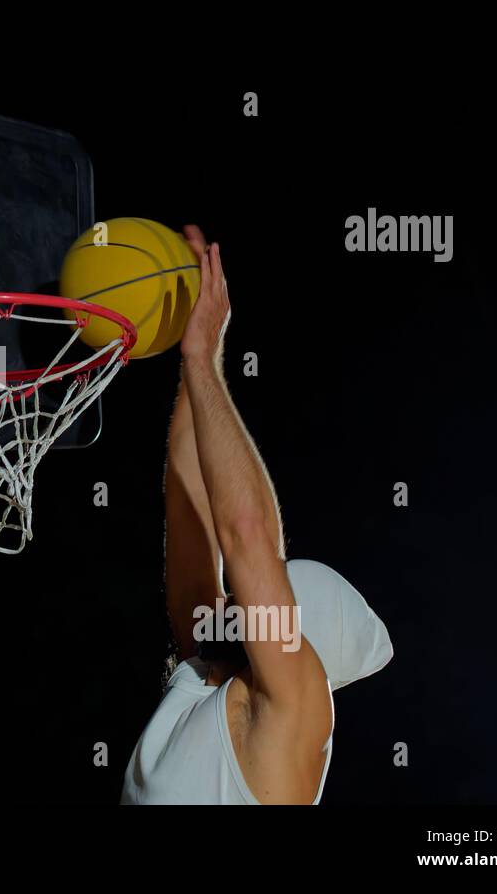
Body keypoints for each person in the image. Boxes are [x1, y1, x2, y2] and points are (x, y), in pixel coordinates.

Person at [122, 226, 393, 805]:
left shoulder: (295, 711)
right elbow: (189, 494)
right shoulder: (207, 675)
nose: (248, 600)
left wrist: (203, 358)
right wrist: (195, 351)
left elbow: (246, 535)